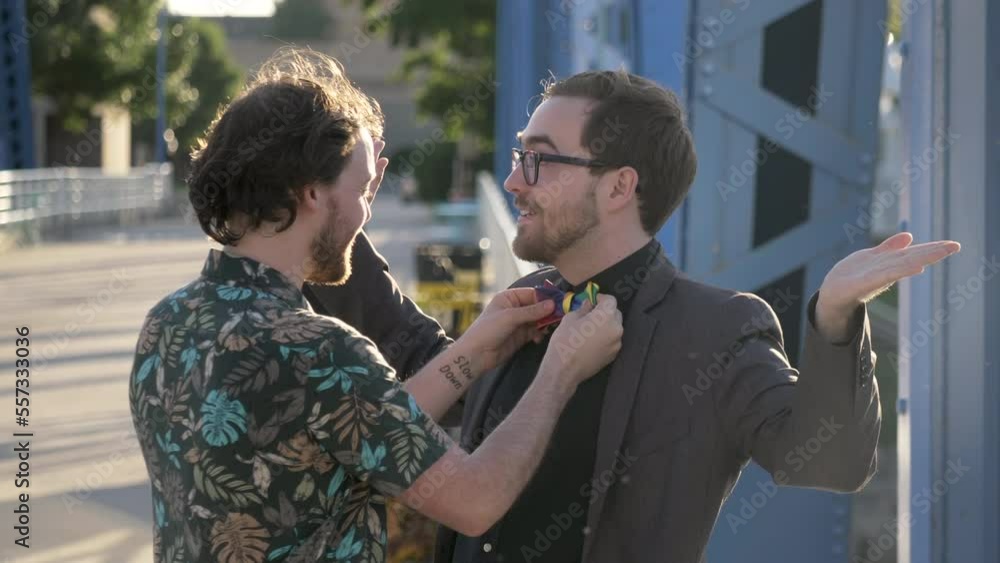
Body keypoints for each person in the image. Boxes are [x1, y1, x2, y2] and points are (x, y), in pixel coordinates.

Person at [306, 68, 961, 563]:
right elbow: (424, 358)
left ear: (619, 186)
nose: (513, 183)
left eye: (536, 159)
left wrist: (836, 318)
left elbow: (829, 461)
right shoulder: (528, 304)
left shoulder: (716, 330)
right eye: (516, 157)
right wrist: (325, 219)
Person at [126, 49, 624, 563]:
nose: (366, 213)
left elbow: (357, 423)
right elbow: (475, 500)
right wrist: (560, 371)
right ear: (311, 193)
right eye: (363, 189)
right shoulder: (320, 350)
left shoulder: (167, 322)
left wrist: (479, 347)